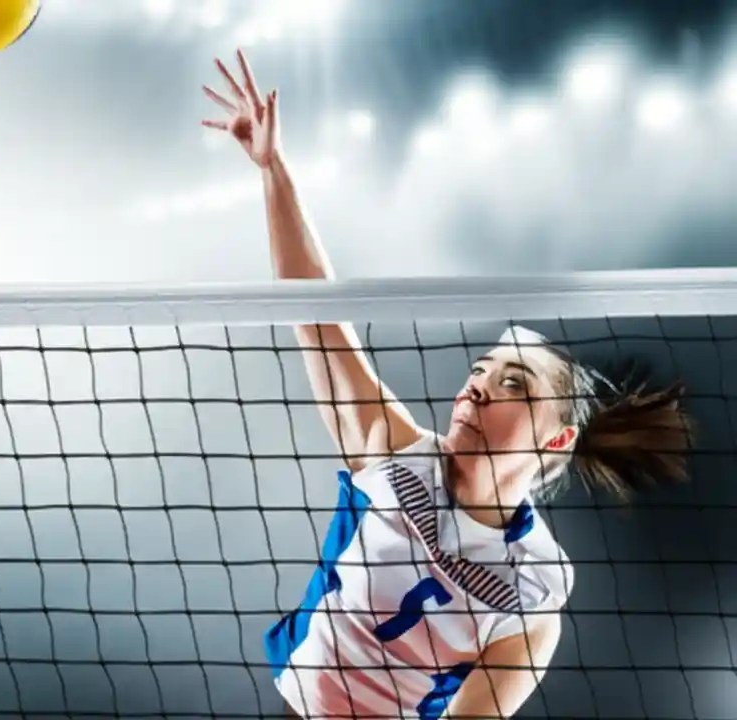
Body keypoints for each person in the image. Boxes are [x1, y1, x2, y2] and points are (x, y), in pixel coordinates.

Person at [202, 51, 694, 719]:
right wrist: (273, 171)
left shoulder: (535, 590)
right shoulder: (390, 452)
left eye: (514, 383)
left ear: (558, 438)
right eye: (478, 373)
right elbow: (315, 313)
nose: (477, 389)